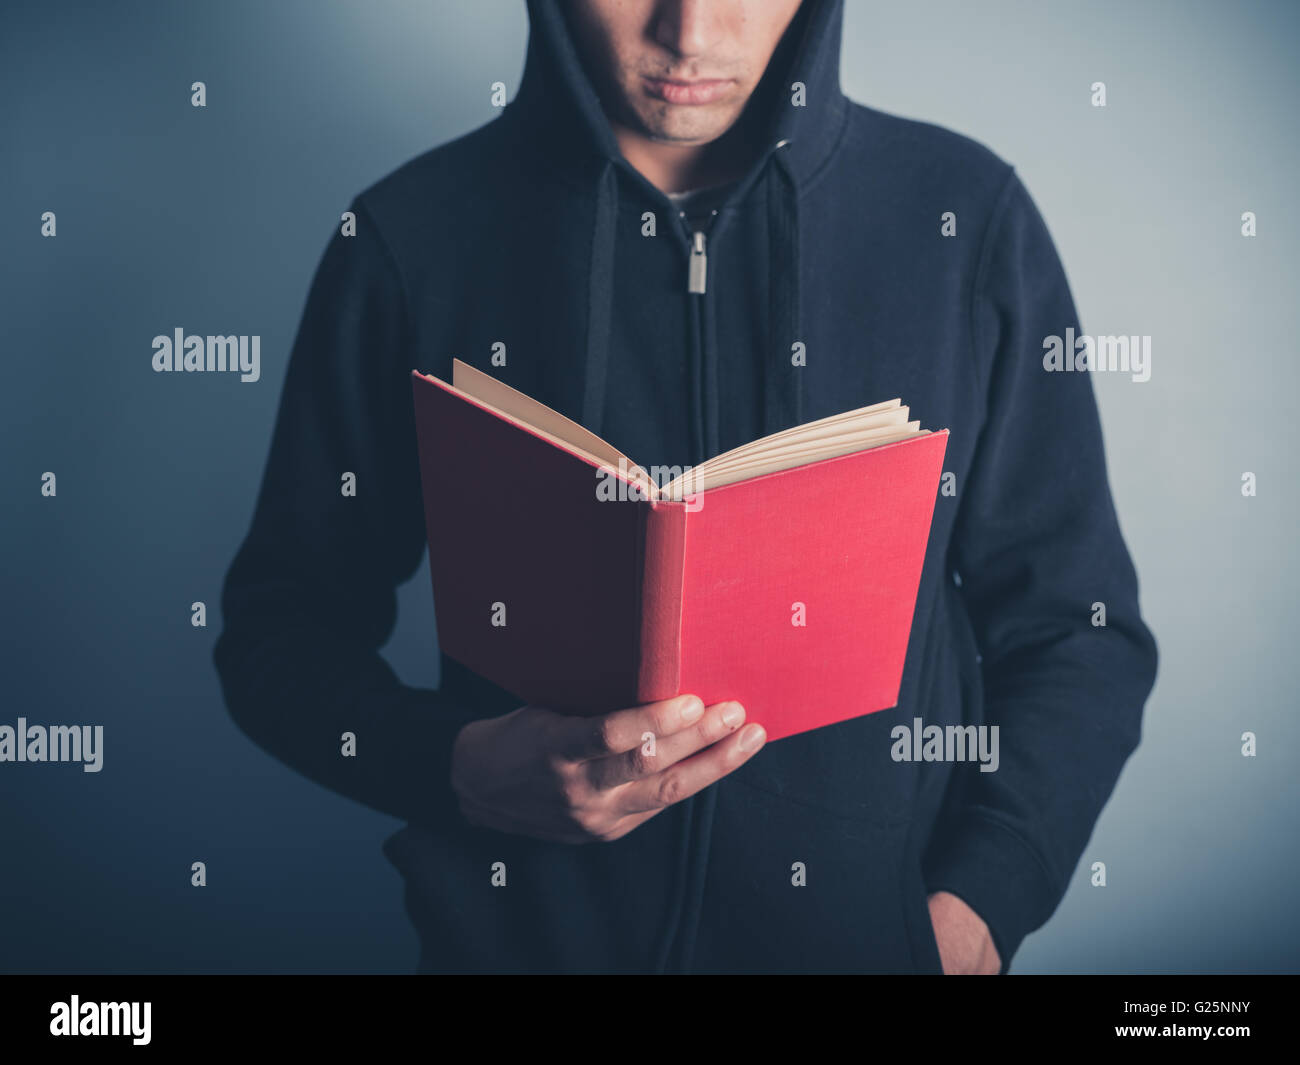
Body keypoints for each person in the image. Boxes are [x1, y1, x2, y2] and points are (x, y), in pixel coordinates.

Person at [215, 0, 1158, 974]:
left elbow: (1076, 632)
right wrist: (452, 768)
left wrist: (971, 919)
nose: (692, 30)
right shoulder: (406, 234)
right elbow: (279, 632)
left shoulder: (962, 220)